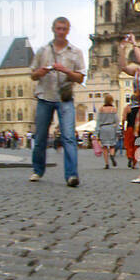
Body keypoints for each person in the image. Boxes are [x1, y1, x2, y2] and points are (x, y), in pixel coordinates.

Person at [30, 14, 86, 187]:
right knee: (40, 137)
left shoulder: (76, 52)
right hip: (45, 96)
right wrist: (41, 72)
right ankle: (37, 170)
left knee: (69, 137)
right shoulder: (42, 51)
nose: (61, 32)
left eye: (64, 29)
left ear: (68, 31)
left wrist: (66, 71)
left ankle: (71, 175)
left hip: (65, 98)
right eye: (58, 28)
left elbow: (80, 77)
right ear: (53, 29)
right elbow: (33, 74)